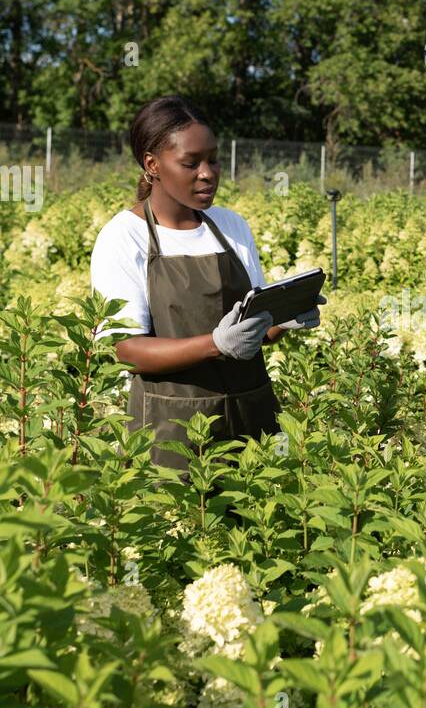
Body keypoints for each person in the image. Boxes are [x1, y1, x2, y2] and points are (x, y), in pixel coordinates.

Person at [90, 95, 326, 471]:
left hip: (253, 414)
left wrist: (282, 317)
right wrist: (215, 344)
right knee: (179, 523)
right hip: (171, 430)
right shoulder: (124, 237)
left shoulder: (231, 227)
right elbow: (126, 350)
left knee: (261, 517)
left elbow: (252, 331)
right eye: (191, 162)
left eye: (213, 159)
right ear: (152, 164)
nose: (208, 172)